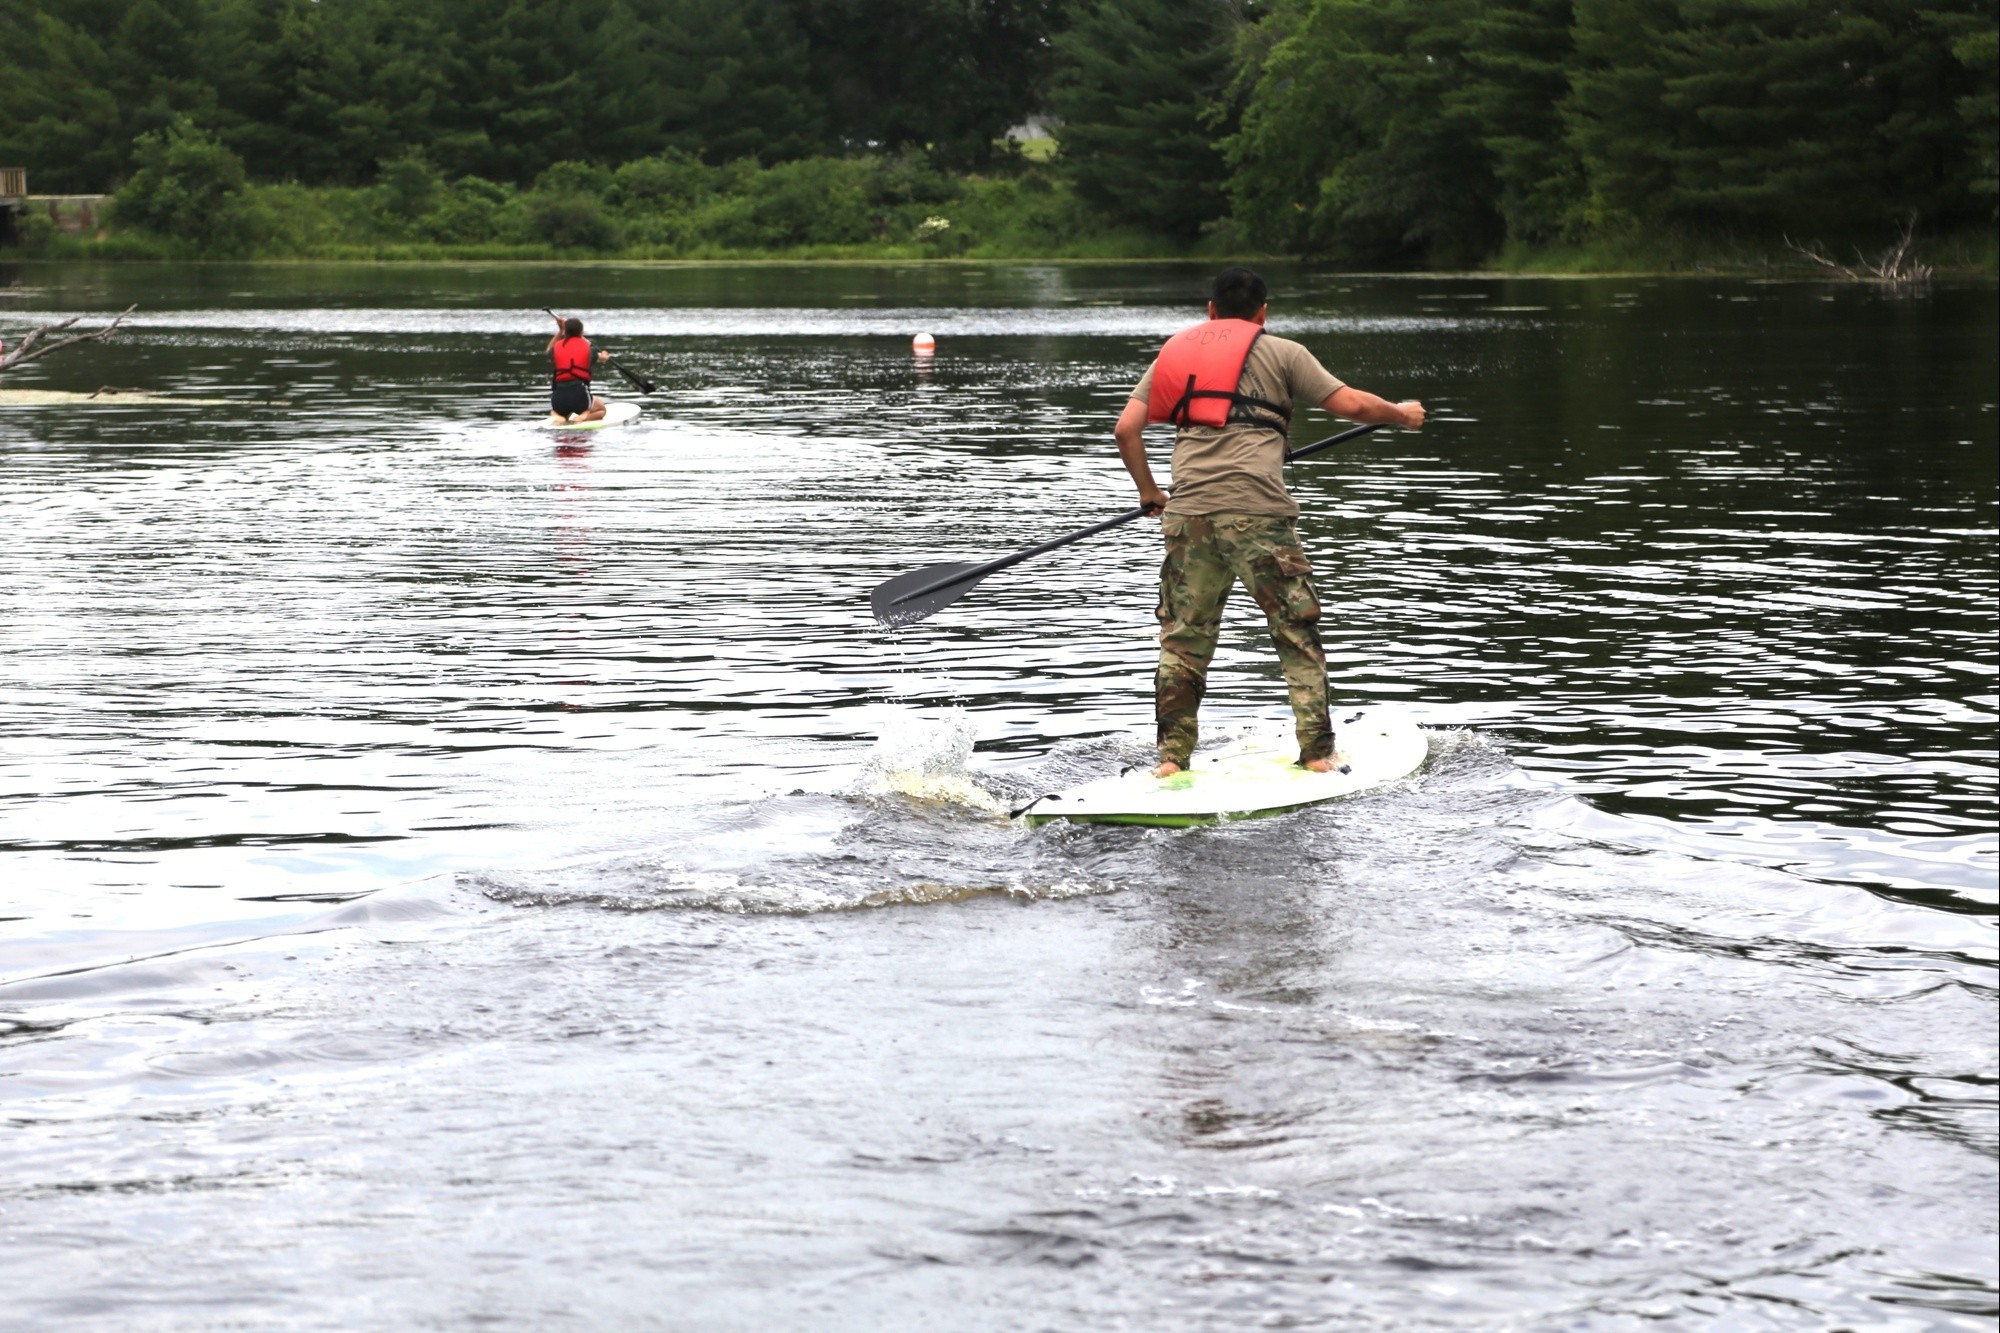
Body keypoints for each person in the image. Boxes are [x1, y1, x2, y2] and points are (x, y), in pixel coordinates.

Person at [1113, 266, 1425, 778]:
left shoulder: (1176, 352)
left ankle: (1171, 760)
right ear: (1263, 314)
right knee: (1294, 633)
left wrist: (1150, 493)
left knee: (1183, 639)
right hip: (1259, 514)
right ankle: (1318, 754)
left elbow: (1125, 430)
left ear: (1210, 311)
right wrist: (1401, 414)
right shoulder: (1284, 352)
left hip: (1188, 516)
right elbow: (1351, 405)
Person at [546, 315, 607, 423]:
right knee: (601, 409)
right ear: (581, 332)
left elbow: (548, 350)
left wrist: (560, 331)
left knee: (559, 412)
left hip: (559, 397)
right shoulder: (589, 349)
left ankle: (558, 417)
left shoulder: (557, 348)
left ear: (565, 332)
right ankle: (582, 417)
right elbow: (601, 358)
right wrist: (604, 355)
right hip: (580, 396)